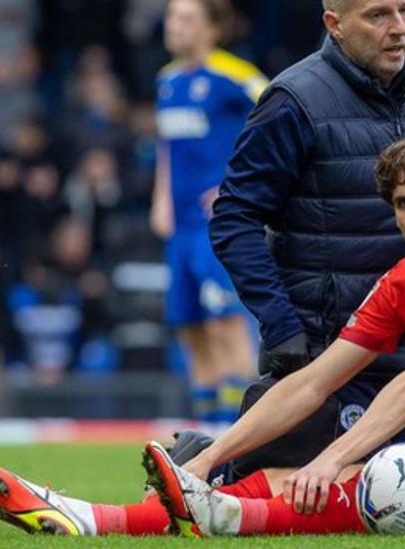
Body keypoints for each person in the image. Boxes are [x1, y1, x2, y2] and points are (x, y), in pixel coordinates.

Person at [0, 136, 405, 537]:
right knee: (281, 476)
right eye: (404, 204)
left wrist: (330, 461)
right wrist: (209, 461)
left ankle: (215, 517)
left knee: (389, 480)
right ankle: (87, 518)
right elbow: (316, 379)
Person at [208, 0, 405, 478]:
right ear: (335, 24)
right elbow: (234, 217)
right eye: (378, 15)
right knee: (281, 505)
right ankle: (209, 462)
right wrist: (281, 326)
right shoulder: (294, 100)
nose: (398, 29)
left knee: (403, 507)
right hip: (320, 357)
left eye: (404, 11)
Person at [150, 0, 264, 424]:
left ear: (213, 28)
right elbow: (167, 147)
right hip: (179, 227)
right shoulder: (166, 81)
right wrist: (159, 199)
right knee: (192, 329)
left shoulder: (237, 77)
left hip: (218, 228)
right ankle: (209, 433)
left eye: (186, 19)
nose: (174, 27)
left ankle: (244, 433)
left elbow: (280, 123)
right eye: (171, 18)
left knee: (226, 325)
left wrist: (240, 188)